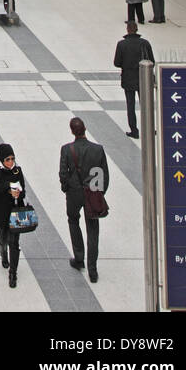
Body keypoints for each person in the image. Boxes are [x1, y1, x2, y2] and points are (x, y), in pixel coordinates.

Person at [59, 116, 109, 283]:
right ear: (85, 129)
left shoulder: (66, 149)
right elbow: (104, 174)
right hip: (92, 192)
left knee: (73, 221)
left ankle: (79, 258)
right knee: (93, 229)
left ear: (72, 131)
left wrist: (65, 187)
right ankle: (93, 270)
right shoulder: (98, 149)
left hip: (74, 193)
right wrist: (100, 193)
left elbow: (63, 173)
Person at [0, 143, 26, 288]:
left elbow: (23, 190)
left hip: (15, 213)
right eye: (7, 160)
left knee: (14, 243)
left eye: (12, 159)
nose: (11, 162)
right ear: (2, 160)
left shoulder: (18, 171)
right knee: (3, 239)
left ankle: (13, 273)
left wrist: (19, 193)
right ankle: (3, 255)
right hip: (0, 213)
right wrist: (9, 187)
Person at [114, 20, 154, 138]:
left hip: (128, 78)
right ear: (137, 29)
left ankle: (134, 130)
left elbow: (117, 62)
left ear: (127, 30)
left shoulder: (121, 44)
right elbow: (152, 60)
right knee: (146, 104)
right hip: (143, 78)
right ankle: (150, 128)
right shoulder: (145, 43)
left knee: (130, 105)